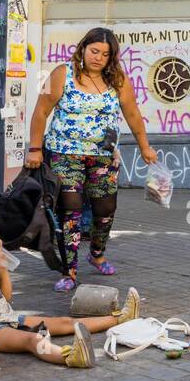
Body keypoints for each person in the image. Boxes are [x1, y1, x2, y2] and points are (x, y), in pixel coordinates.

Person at [29, 27, 156, 292]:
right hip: (65, 153)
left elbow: (133, 115)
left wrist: (145, 147)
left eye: (105, 54)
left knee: (105, 210)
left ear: (111, 58)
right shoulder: (62, 74)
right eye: (94, 51)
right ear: (83, 49)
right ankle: (69, 272)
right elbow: (41, 112)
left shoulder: (118, 80)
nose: (98, 57)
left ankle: (96, 253)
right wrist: (35, 148)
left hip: (103, 156)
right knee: (71, 209)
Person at [0, 222, 140, 368]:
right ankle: (69, 357)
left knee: (65, 322)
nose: (1, 242)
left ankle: (120, 317)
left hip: (7, 319)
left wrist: (3, 269)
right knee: (31, 340)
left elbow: (6, 297)